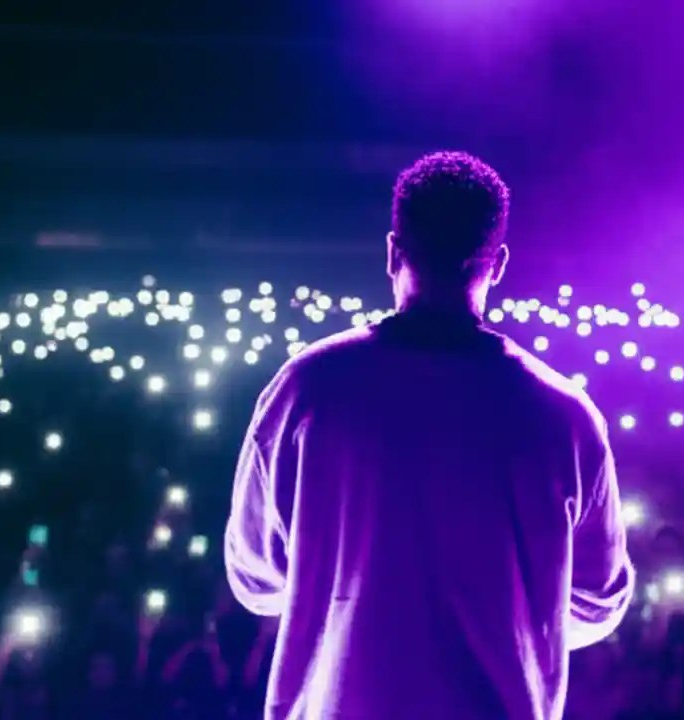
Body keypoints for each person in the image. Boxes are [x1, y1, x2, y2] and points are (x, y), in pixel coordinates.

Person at [224, 151, 635, 719]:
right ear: (499, 264)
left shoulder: (309, 390)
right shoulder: (563, 415)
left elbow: (256, 579)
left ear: (392, 251)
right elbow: (597, 601)